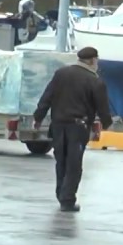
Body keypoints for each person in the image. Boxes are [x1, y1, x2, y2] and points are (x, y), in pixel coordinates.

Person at [33, 46, 113, 212]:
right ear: (92, 60)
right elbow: (102, 107)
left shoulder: (61, 74)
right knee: (74, 164)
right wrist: (107, 124)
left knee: (61, 160)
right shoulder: (95, 80)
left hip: (58, 126)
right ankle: (67, 199)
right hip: (78, 128)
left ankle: (61, 194)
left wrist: (38, 117)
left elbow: (47, 97)